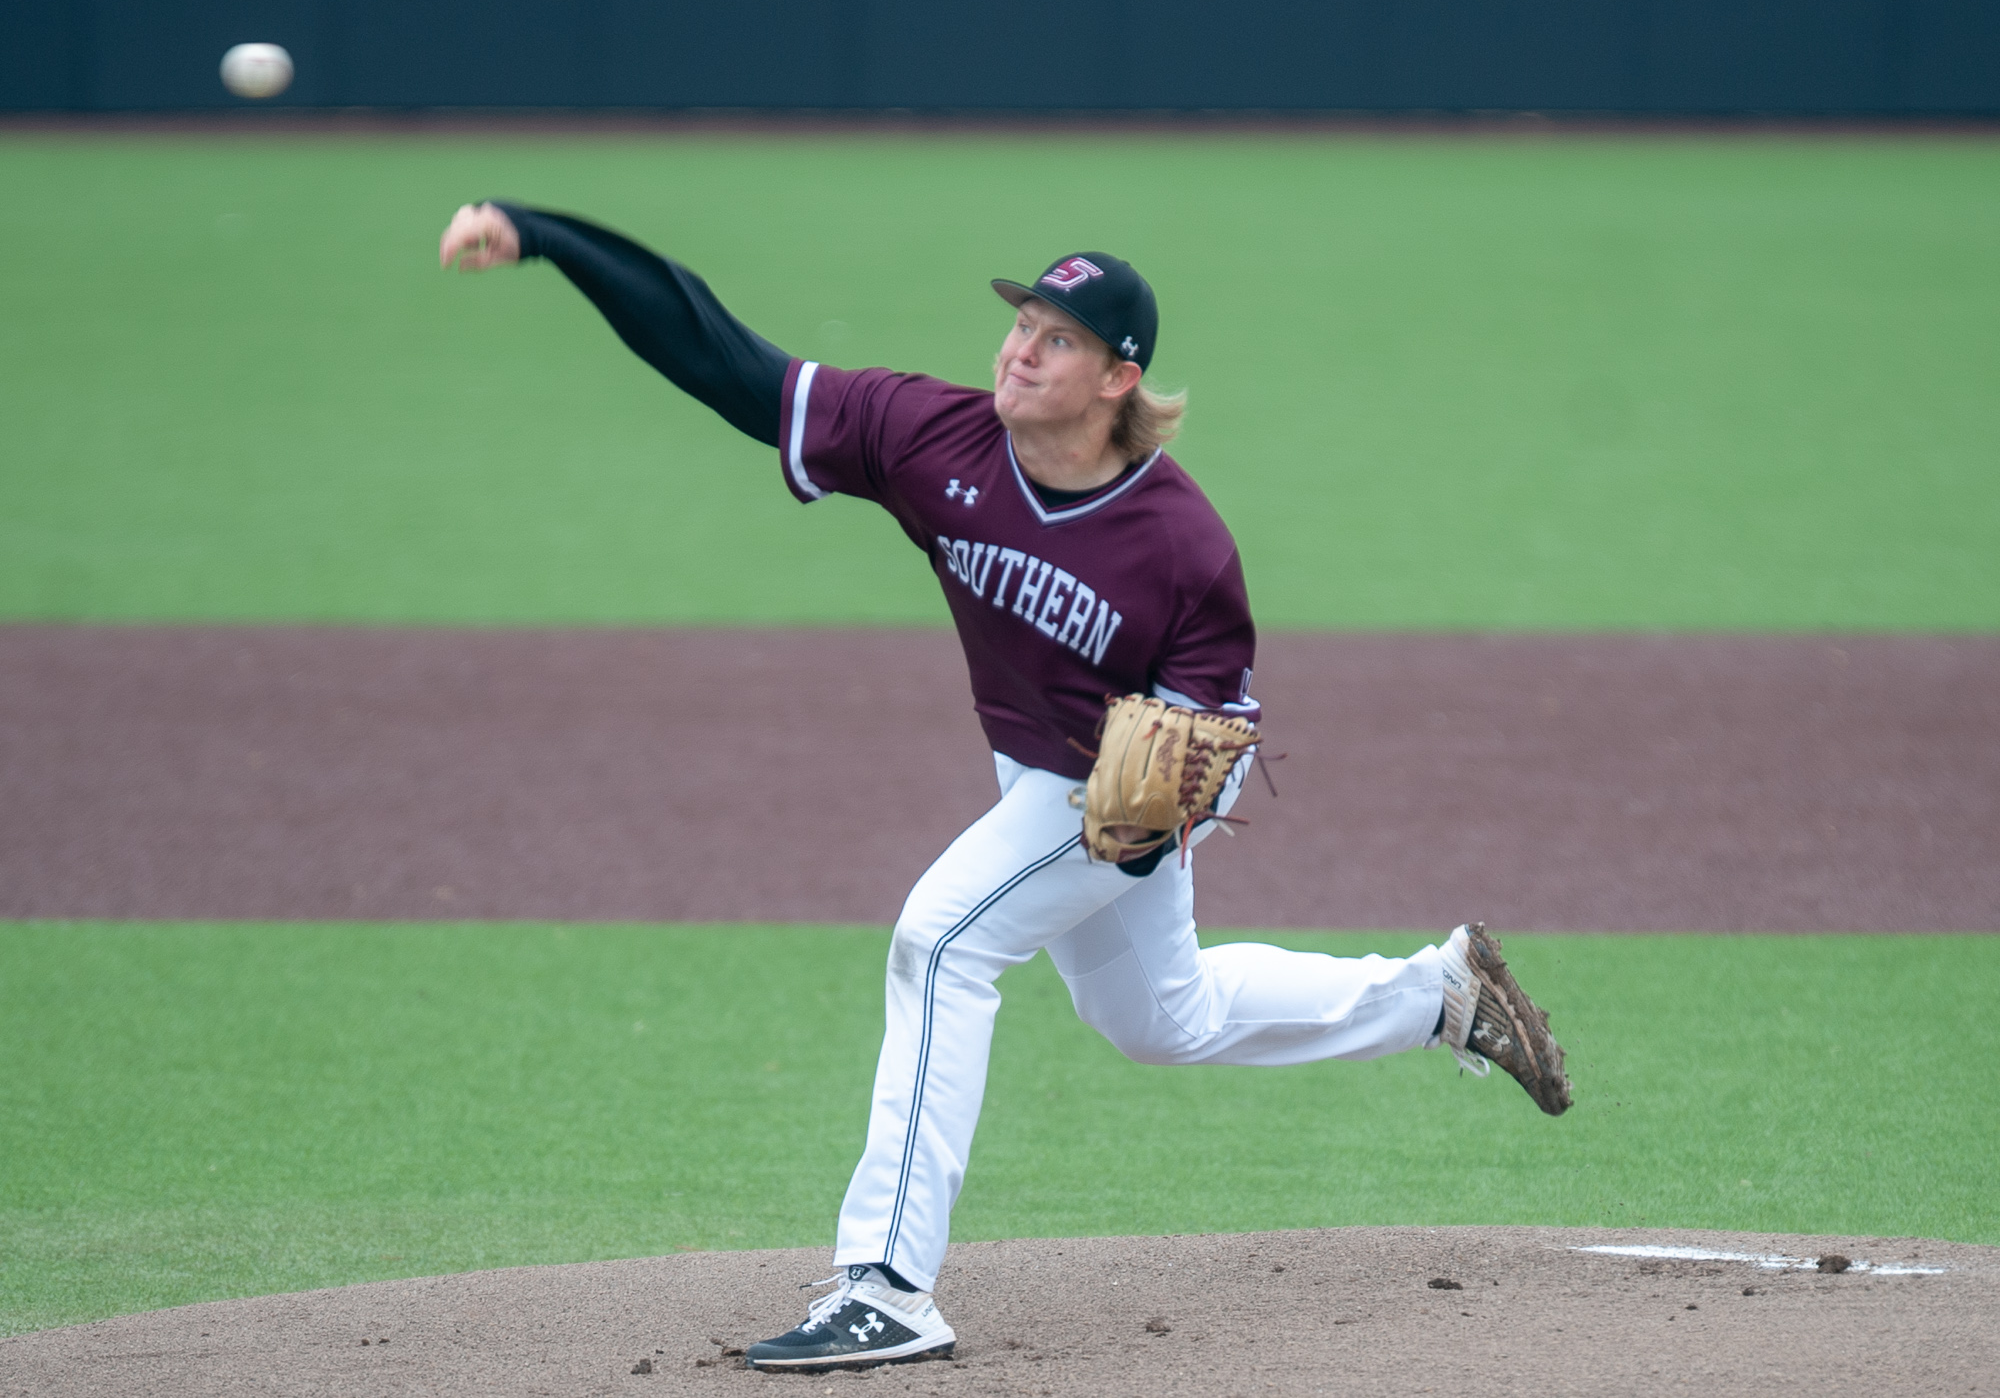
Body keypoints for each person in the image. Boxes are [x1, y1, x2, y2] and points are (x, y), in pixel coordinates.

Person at [437, 202, 1571, 1374]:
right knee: (1157, 1019)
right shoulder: (929, 434)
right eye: (1021, 322)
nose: (1019, 349)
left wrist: (1140, 829)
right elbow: (732, 365)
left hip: (1123, 790)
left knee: (941, 939)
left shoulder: (1180, 542)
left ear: (1117, 378)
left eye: (1056, 337)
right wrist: (553, 239)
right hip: (1037, 765)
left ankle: (886, 1283)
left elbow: (1220, 727)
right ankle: (1436, 993)